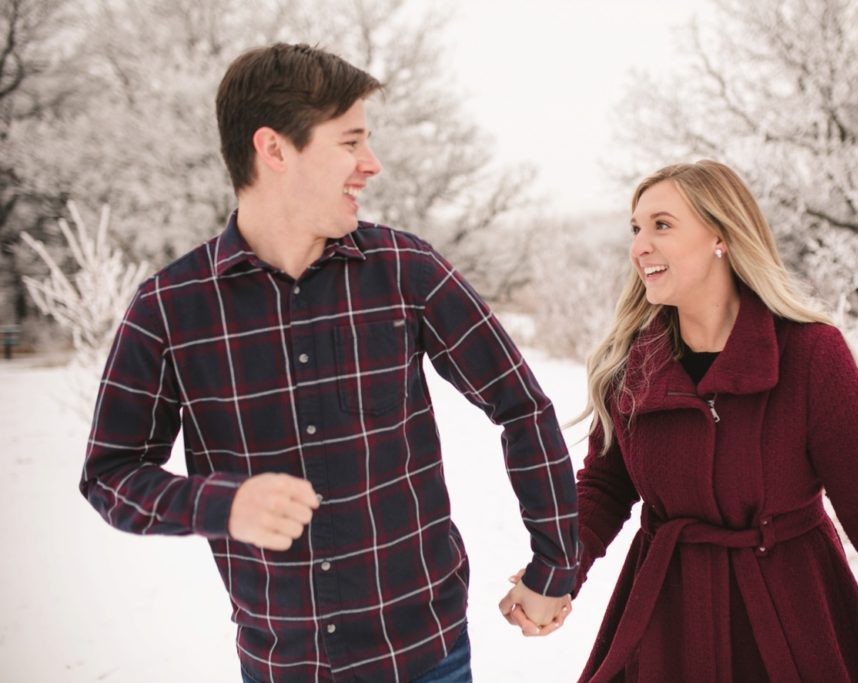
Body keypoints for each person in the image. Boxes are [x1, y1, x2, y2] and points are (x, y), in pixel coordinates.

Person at [78, 43, 578, 683]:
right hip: (282, 665)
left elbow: (522, 407)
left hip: (428, 657)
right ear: (275, 150)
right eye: (350, 142)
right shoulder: (170, 309)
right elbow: (110, 473)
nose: (372, 164)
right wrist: (220, 504)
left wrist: (554, 566)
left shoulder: (406, 271)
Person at [559, 160, 858, 681]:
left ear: (720, 236)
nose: (639, 246)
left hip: (792, 627)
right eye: (635, 228)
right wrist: (557, 574)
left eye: (662, 225)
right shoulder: (629, 364)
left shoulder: (810, 355)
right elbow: (606, 488)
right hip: (665, 628)